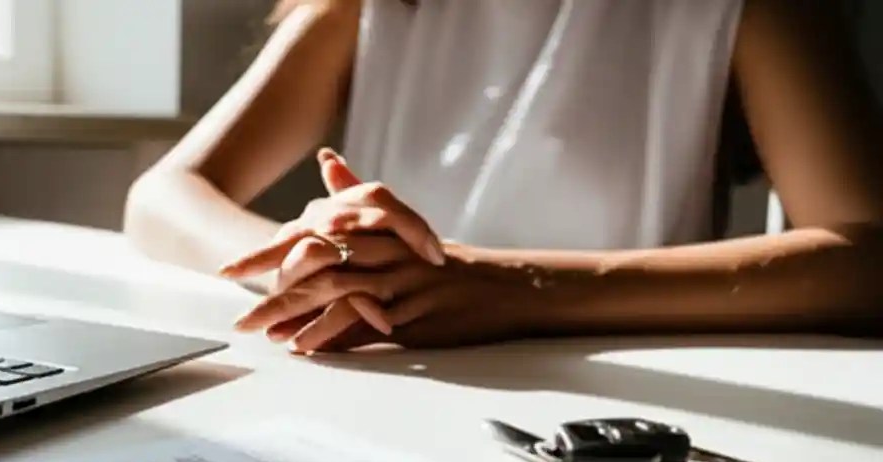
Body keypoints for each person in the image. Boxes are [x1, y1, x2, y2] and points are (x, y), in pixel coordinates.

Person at [124, 0, 883, 353]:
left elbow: (868, 259)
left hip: (617, 420)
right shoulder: (367, 9)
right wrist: (306, 264)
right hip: (392, 405)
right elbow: (161, 197)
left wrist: (518, 287)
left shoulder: (753, 10)